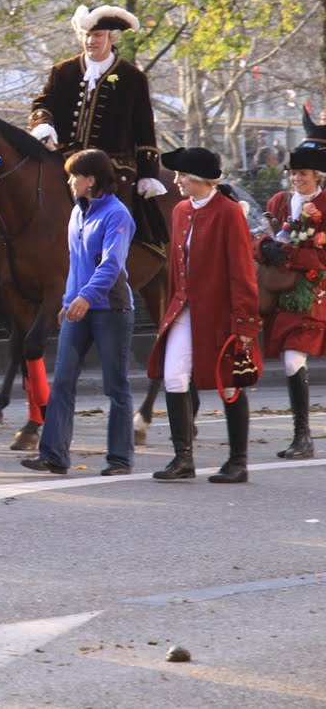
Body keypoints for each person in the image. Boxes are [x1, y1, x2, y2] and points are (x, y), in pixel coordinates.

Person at [147, 147, 261, 483]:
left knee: (230, 383)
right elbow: (175, 268)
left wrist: (244, 321)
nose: (177, 181)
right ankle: (183, 458)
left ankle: (238, 461)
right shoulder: (181, 210)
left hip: (220, 312)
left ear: (199, 180)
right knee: (174, 376)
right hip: (184, 307)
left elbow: (242, 270)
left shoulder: (228, 212)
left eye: (182, 176)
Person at [20, 149, 136, 476]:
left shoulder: (117, 215)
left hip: (111, 309)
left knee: (116, 386)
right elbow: (75, 263)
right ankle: (54, 455)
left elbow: (111, 264)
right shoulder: (77, 213)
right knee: (62, 383)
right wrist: (69, 300)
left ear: (92, 180)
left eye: (75, 176)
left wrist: (84, 297)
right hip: (78, 308)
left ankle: (120, 459)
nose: (70, 181)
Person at [29, 4, 168, 247]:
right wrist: (43, 124)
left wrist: (148, 174)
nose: (90, 40)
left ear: (111, 38)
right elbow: (42, 104)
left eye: (97, 35)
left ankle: (123, 264)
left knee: (123, 219)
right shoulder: (64, 71)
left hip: (112, 167)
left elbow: (145, 130)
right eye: (86, 35)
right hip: (64, 160)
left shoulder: (132, 78)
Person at [257, 128, 326, 459]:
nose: (297, 178)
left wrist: (293, 256)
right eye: (294, 173)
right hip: (283, 294)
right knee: (289, 358)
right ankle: (303, 436)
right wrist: (266, 247)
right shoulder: (278, 202)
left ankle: (304, 437)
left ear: (318, 176)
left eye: (304, 173)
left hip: (315, 293)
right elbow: (260, 236)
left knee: (293, 356)